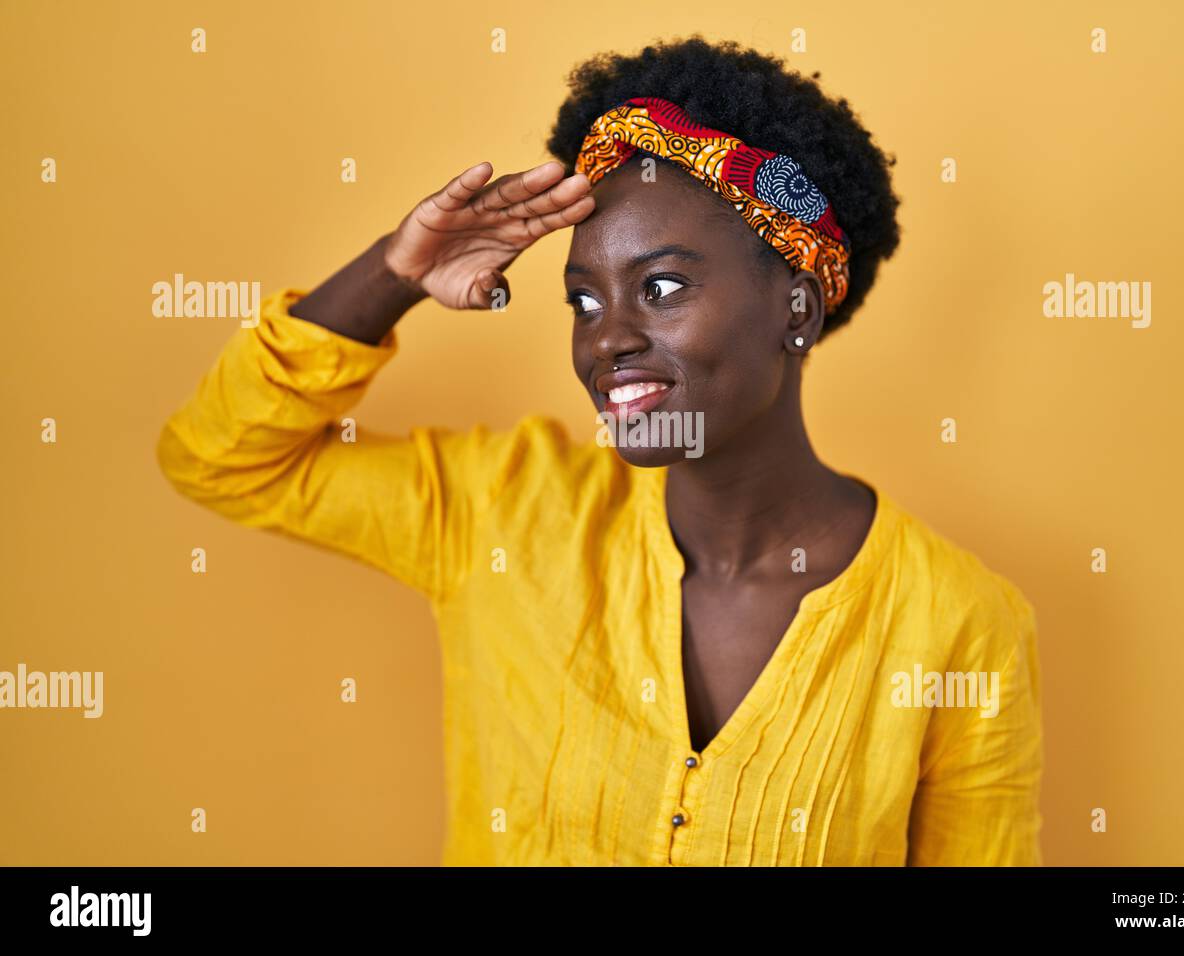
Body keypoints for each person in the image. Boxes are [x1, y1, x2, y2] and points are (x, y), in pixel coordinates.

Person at [157, 36, 1043, 866]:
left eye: (661, 287)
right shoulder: (503, 510)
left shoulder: (957, 624)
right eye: (582, 300)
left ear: (797, 310)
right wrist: (396, 273)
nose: (606, 340)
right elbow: (220, 457)